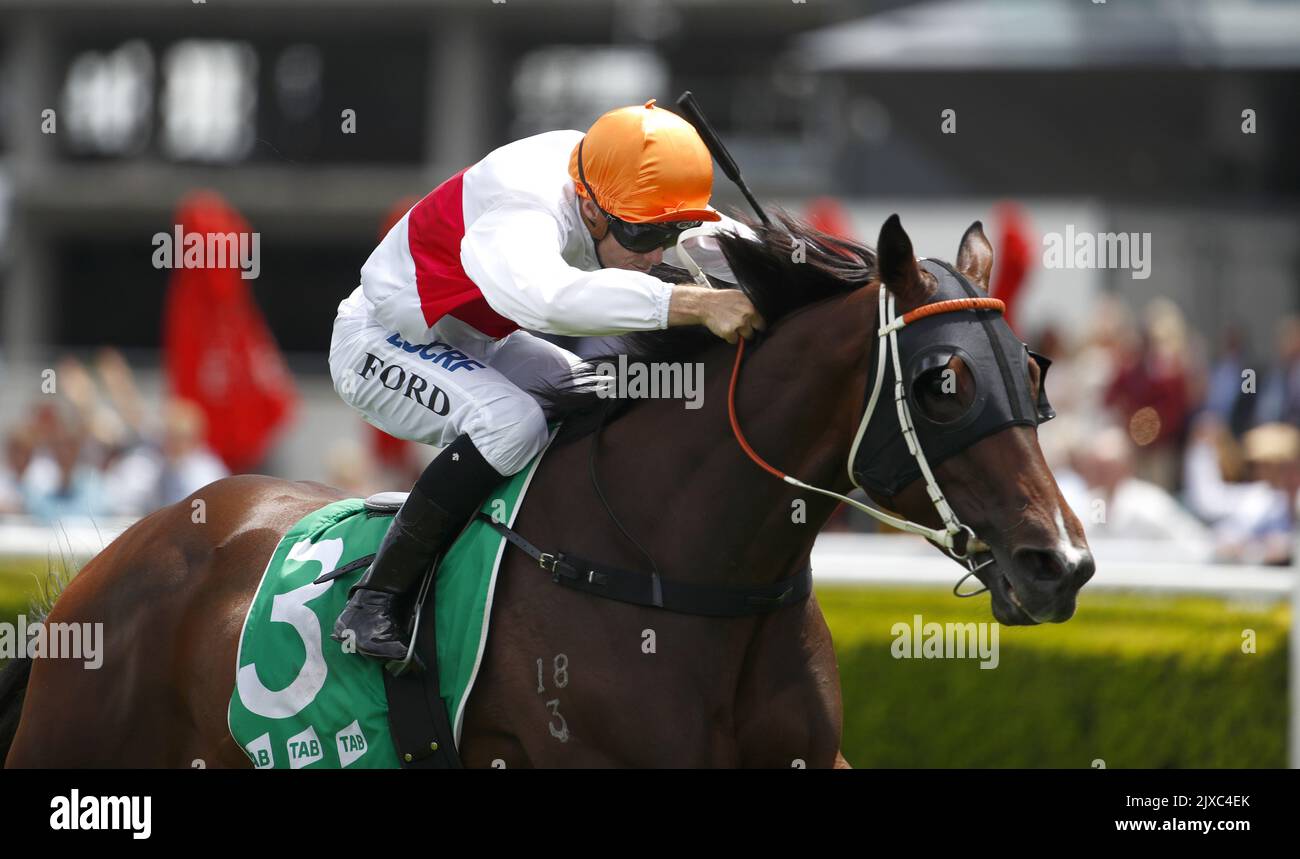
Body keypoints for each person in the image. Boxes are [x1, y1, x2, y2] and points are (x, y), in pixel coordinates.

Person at [328, 100, 764, 660]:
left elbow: (715, 240)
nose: (657, 255)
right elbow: (548, 302)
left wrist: (827, 271)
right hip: (379, 341)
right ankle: (373, 601)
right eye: (643, 237)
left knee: (600, 399)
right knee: (513, 424)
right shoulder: (524, 202)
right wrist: (694, 302)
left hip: (475, 337)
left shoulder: (613, 174)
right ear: (590, 206)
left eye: (669, 231)